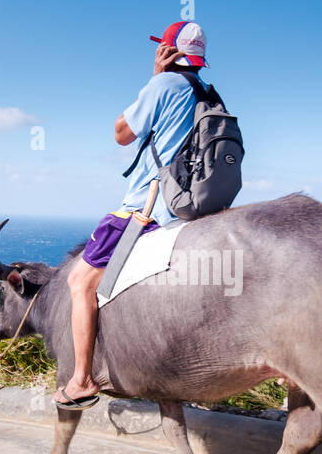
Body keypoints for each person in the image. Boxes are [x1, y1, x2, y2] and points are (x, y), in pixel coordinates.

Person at [53, 21, 209, 408]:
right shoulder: (206, 92)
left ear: (168, 51)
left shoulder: (163, 85)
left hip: (144, 206)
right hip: (185, 206)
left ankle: (82, 379)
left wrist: (153, 77)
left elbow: (121, 133)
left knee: (80, 282)